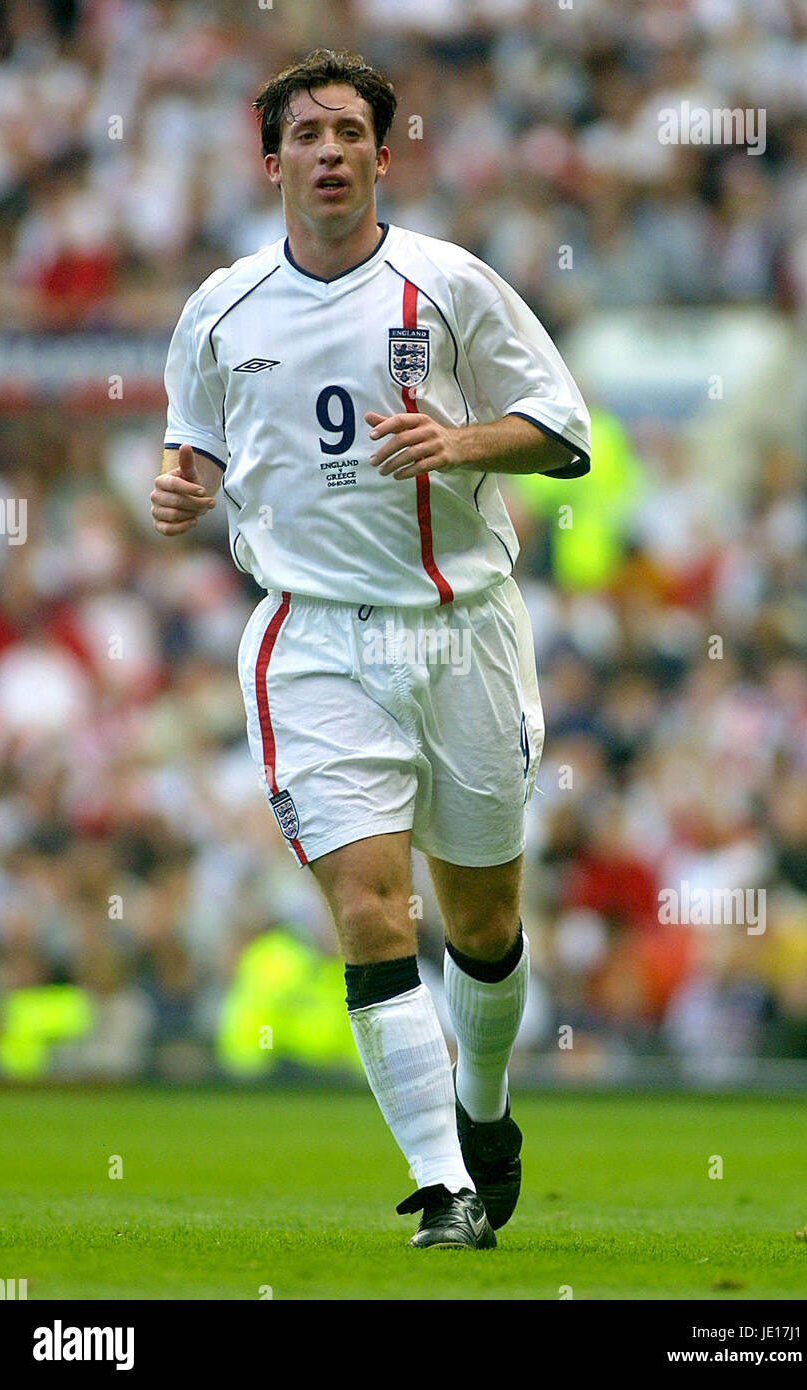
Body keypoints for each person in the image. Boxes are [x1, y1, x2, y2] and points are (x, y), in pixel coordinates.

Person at [152, 48, 590, 1249]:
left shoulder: (449, 284)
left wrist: (458, 443)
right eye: (307, 135)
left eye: (350, 132)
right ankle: (443, 1185)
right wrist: (181, 487)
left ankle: (483, 1108)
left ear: (382, 156)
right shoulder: (222, 306)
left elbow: (563, 433)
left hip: (463, 631)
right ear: (273, 160)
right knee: (369, 906)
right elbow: (194, 446)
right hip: (311, 641)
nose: (329, 152)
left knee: (485, 922)